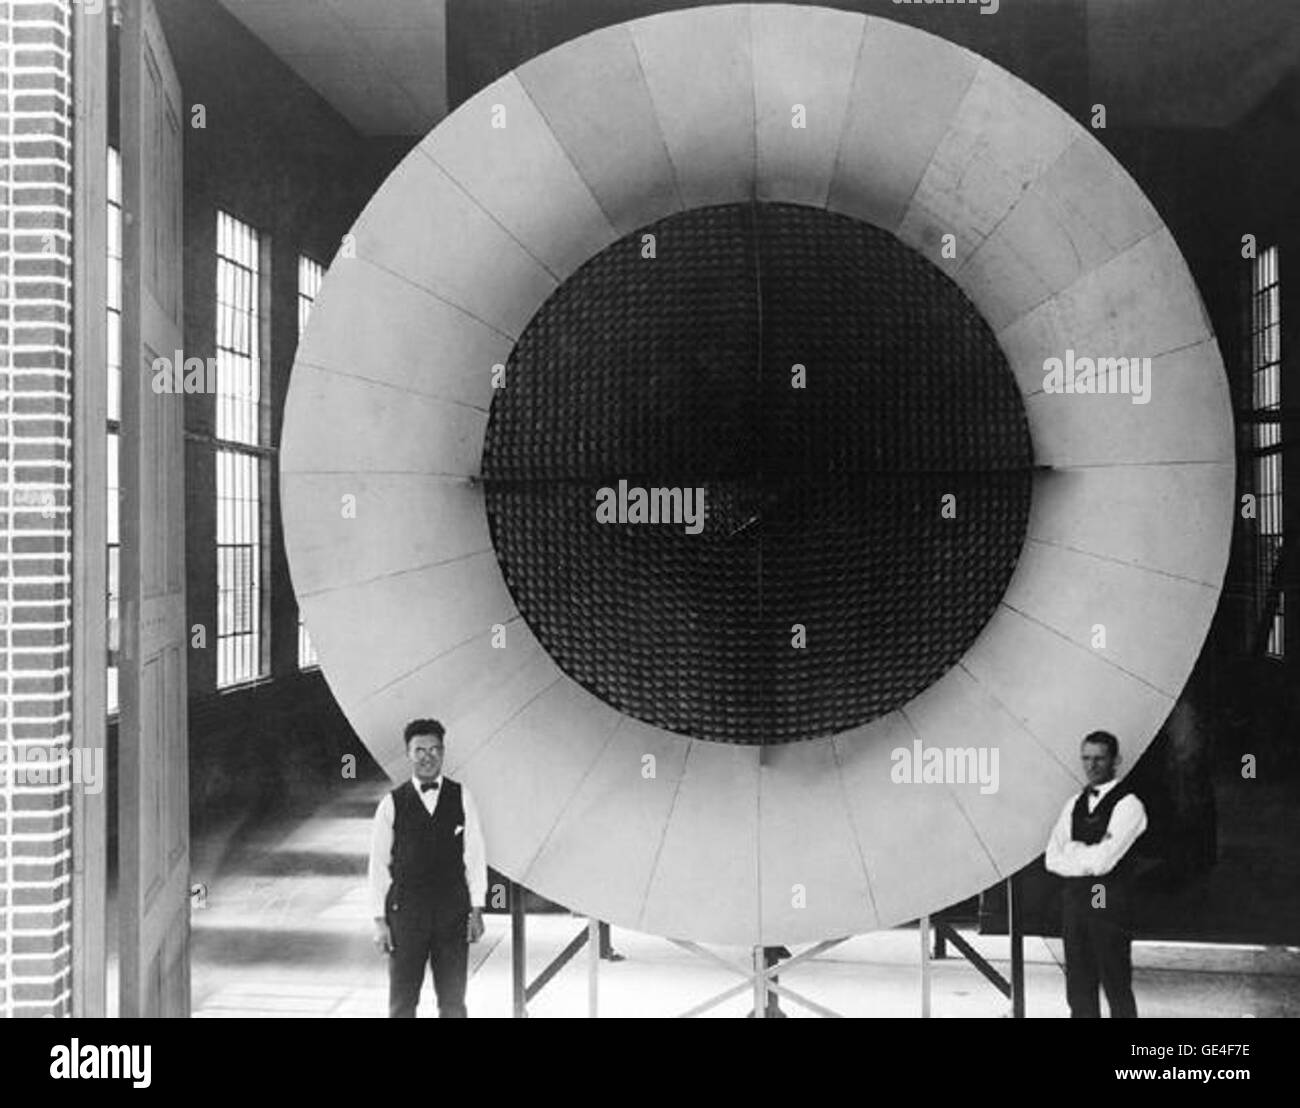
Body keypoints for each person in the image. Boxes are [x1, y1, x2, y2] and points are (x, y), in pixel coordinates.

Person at [368, 718, 487, 1017]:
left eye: (435, 749)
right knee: (402, 1002)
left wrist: (477, 908)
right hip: (406, 915)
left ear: (444, 753)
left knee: (453, 1001)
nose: (428, 757)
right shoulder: (391, 804)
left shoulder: (462, 797)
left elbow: (474, 855)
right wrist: (379, 921)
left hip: (452, 913)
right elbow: (378, 865)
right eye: (420, 750)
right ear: (408, 754)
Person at [1045, 730, 1148, 1018]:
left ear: (1116, 761)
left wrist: (1075, 851)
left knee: (1115, 982)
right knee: (1078, 986)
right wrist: (1086, 855)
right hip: (1076, 904)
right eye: (1086, 758)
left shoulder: (1129, 805)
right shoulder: (1073, 804)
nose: (1091, 766)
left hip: (1107, 905)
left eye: (1099, 759)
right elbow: (1052, 858)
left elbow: (1104, 862)